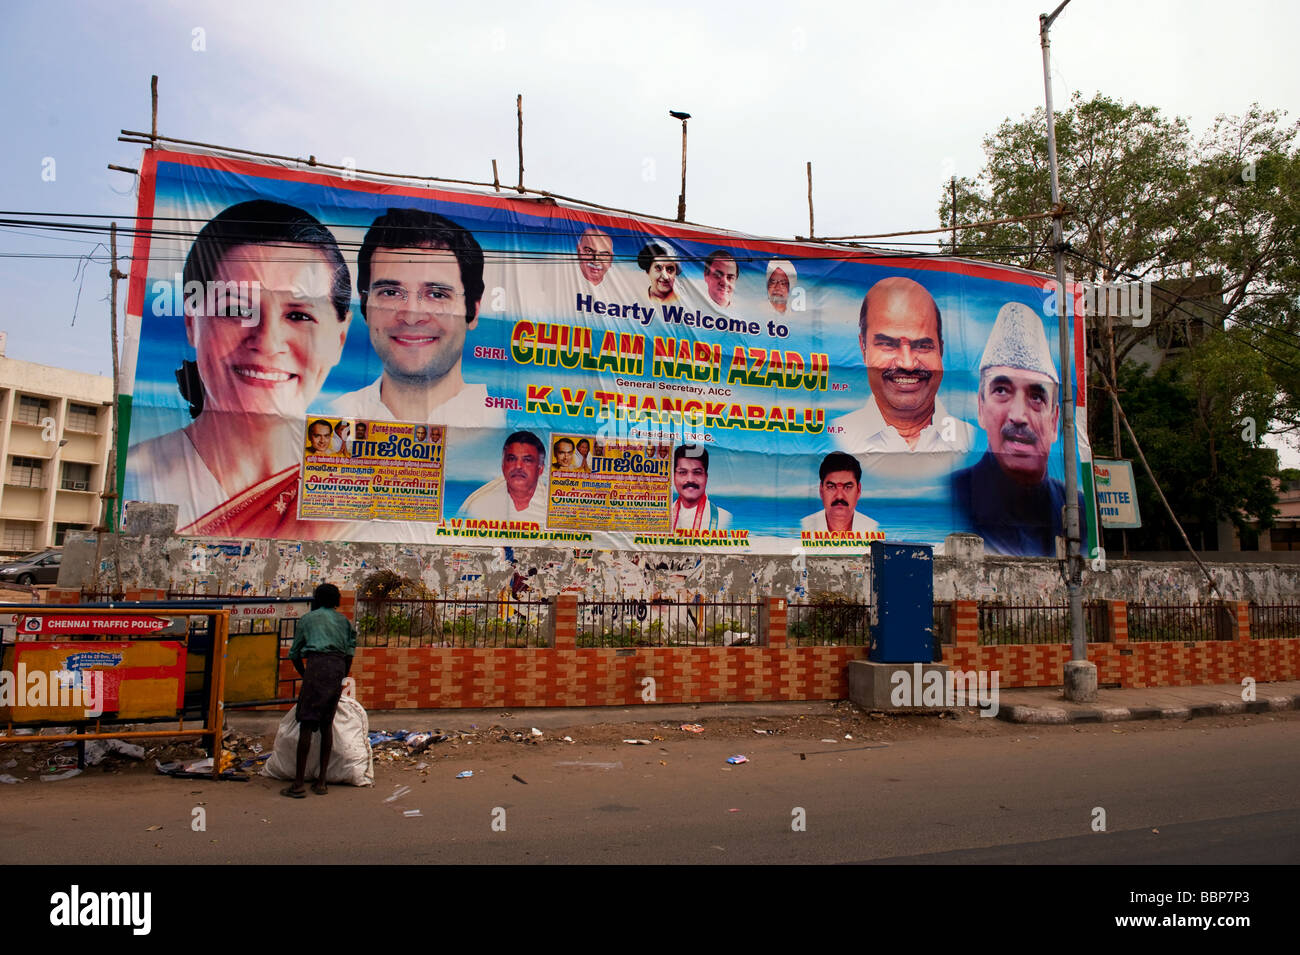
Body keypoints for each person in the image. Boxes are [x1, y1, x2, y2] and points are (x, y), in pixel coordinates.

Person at [124, 200, 352, 537]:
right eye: (236, 309)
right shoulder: (135, 475)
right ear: (191, 323)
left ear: (340, 340)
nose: (268, 342)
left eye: (300, 316)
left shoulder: (357, 495)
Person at [331, 208, 504, 427]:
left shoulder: (503, 423)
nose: (412, 316)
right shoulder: (330, 414)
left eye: (436, 294)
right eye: (390, 292)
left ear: (473, 311)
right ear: (365, 305)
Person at [951, 301, 1085, 556]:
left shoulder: (1079, 511)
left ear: (1055, 421)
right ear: (981, 407)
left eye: (1036, 396)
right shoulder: (955, 496)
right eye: (1001, 390)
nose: (1018, 416)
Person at [833, 276, 974, 455]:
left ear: (941, 349)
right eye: (888, 344)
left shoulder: (971, 439)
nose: (907, 364)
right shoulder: (839, 435)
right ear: (863, 347)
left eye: (923, 346)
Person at [283, 582, 356, 798]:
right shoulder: (344, 622)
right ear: (336, 600)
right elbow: (350, 652)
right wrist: (342, 675)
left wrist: (304, 674)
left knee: (306, 723)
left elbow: (294, 652)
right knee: (327, 723)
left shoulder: (308, 619)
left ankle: (298, 784)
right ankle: (322, 781)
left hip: (315, 666)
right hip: (336, 668)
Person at [460, 431, 549, 525]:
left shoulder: (552, 507)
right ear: (503, 466)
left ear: (540, 469)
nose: (518, 466)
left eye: (527, 460)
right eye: (511, 459)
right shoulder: (477, 504)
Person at [801, 452, 879, 533]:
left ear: (858, 490)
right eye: (831, 487)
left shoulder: (874, 529)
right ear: (821, 490)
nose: (839, 496)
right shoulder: (803, 528)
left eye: (847, 487)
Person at [671, 445, 732, 531]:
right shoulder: (663, 516)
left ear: (706, 477)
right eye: (683, 472)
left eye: (697, 472)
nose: (690, 479)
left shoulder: (724, 518)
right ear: (674, 476)